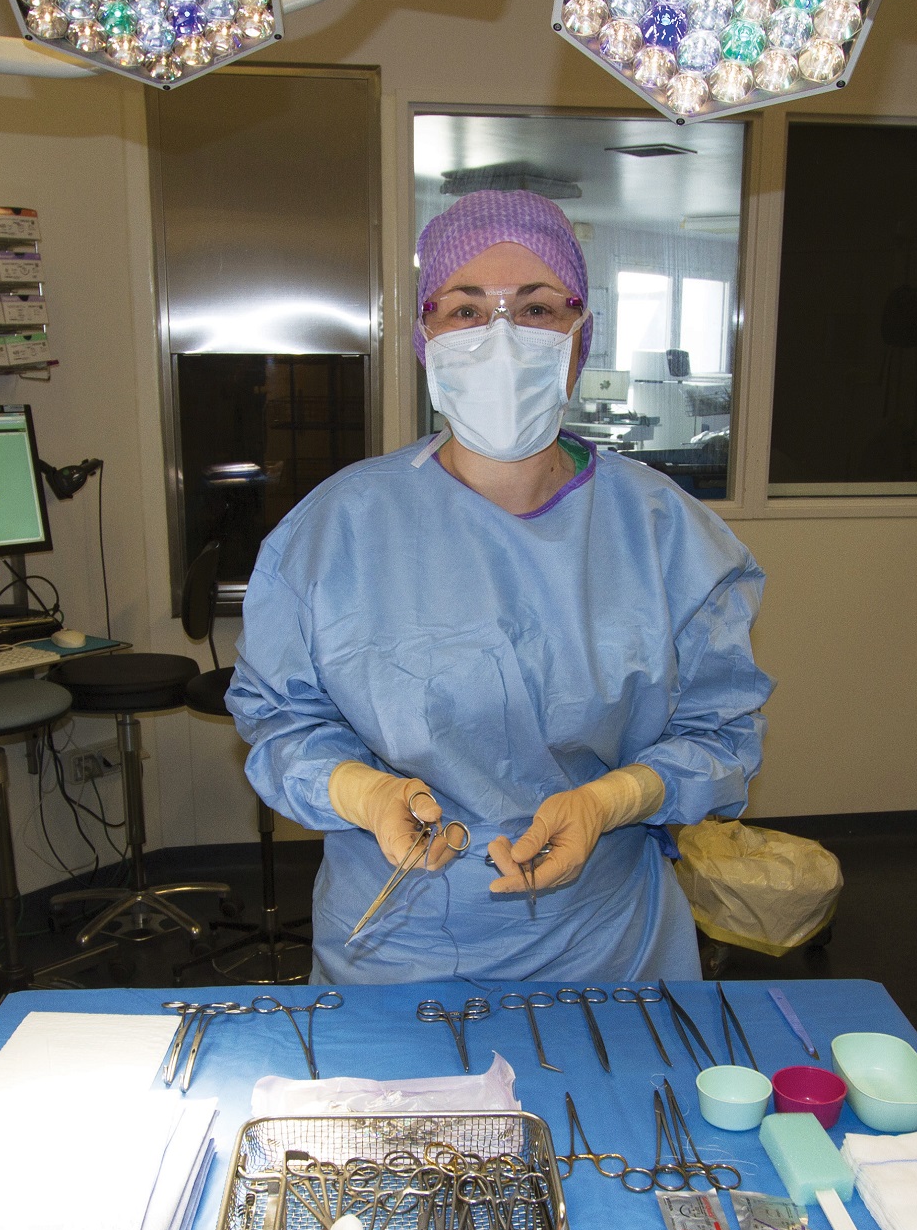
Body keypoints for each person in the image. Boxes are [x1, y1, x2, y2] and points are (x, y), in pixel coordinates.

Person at [226, 189, 771, 984]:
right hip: (397, 944)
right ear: (427, 336)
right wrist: (367, 793)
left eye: (539, 307)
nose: (502, 337)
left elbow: (721, 733)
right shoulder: (337, 529)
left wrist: (605, 802)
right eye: (467, 310)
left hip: (604, 946)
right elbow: (281, 722)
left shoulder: (666, 534)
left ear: (581, 339)